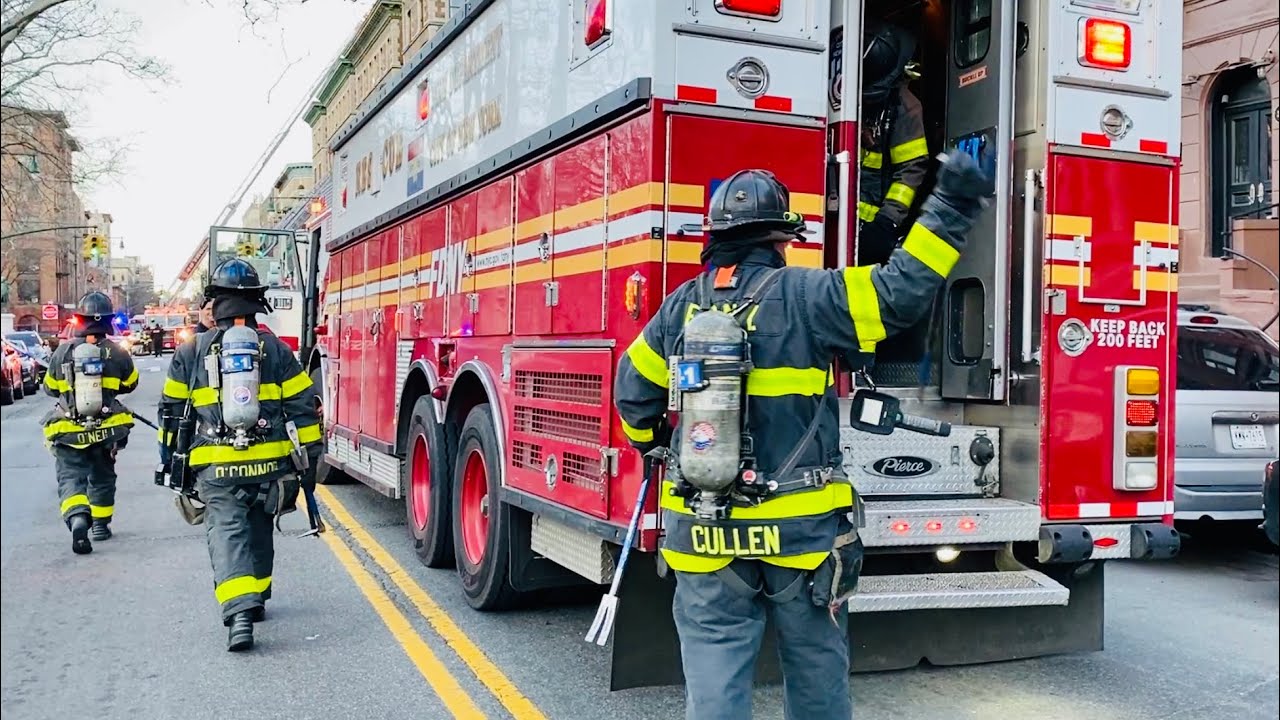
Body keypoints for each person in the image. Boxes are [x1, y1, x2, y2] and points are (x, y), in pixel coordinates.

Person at [613, 152, 989, 720]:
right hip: (799, 540)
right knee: (815, 673)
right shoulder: (812, 296)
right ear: (781, 239)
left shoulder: (679, 309)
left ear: (713, 238)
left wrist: (651, 446)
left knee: (713, 687)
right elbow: (901, 294)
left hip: (706, 536)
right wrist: (951, 204)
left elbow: (631, 398)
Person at [158, 258, 322, 652]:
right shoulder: (276, 350)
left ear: (216, 302)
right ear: (255, 303)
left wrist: (171, 462)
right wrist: (309, 464)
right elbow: (303, 409)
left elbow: (172, 414)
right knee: (261, 525)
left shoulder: (192, 352)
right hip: (270, 463)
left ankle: (240, 614)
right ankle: (258, 597)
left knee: (227, 531)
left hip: (216, 465)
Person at [40, 291, 139, 554]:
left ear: (79, 319)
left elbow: (50, 388)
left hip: (69, 430)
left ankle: (78, 519)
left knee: (71, 478)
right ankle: (101, 524)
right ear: (108, 320)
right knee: (103, 477)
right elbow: (130, 383)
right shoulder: (116, 352)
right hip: (105, 431)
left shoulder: (63, 351)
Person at [858, 21, 930, 266]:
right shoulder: (843, 94)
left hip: (874, 225)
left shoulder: (906, 108)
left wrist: (887, 220)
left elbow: (911, 170)